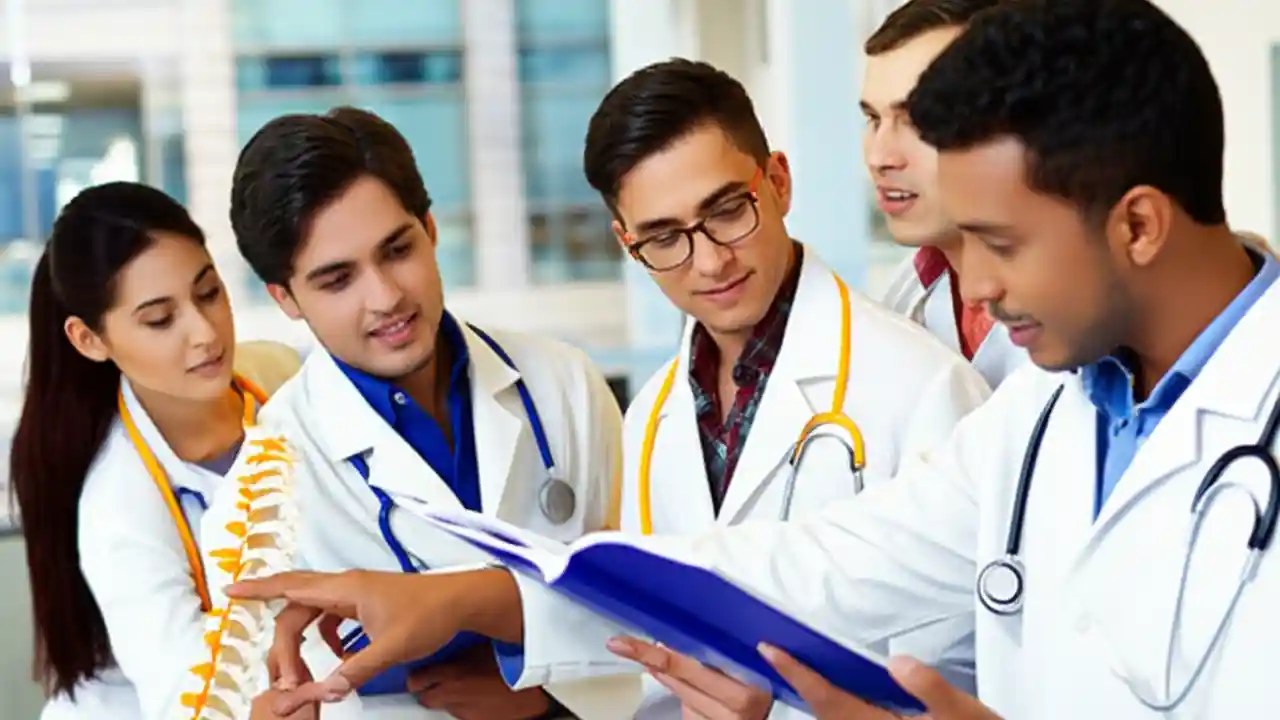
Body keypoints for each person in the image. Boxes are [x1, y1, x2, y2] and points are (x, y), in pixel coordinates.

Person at [229, 0, 1280, 718]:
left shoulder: (975, 384)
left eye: (995, 244)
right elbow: (805, 567)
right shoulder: (1046, 413)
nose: (973, 283)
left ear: (1135, 224)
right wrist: (476, 599)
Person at [578, 58, 991, 717]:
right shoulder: (650, 419)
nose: (710, 261)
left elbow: (969, 671)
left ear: (776, 181)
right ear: (629, 244)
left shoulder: (924, 384)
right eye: (665, 239)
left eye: (727, 211)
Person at [230, 107, 625, 719]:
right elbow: (293, 682)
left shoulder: (564, 384)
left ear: (431, 229)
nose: (386, 297)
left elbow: (649, 607)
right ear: (286, 298)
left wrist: (544, 692)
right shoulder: (269, 473)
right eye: (337, 280)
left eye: (397, 250)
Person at [10, 182, 312, 720]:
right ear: (89, 340)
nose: (204, 333)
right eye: (159, 319)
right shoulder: (119, 507)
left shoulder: (285, 375)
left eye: (208, 293)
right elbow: (196, 701)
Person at [863, 0, 1025, 389]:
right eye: (872, 119)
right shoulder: (905, 296)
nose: (879, 157)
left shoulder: (1082, 312)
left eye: (920, 120)